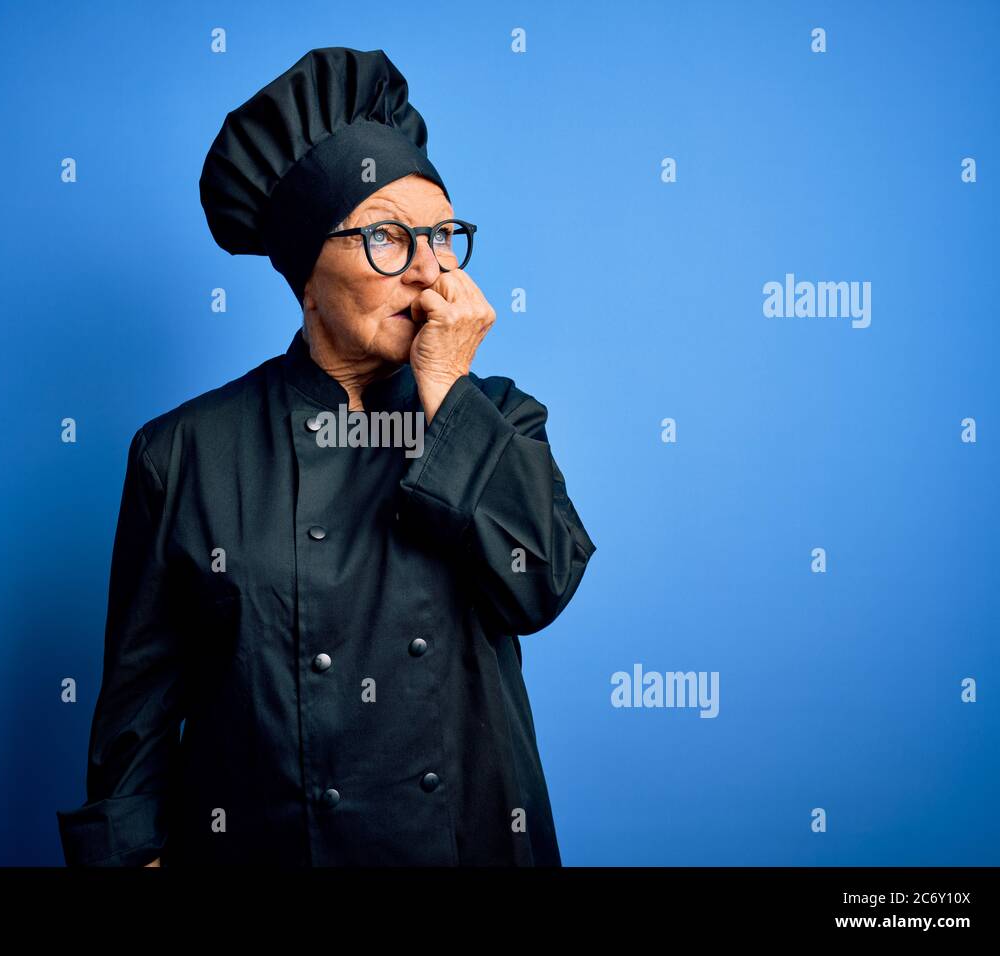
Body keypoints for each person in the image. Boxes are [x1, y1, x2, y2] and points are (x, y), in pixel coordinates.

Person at [56, 46, 597, 867]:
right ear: (308, 275)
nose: (429, 271)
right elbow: (136, 727)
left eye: (442, 236)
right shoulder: (187, 452)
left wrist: (447, 390)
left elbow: (541, 581)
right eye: (388, 238)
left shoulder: (497, 417)